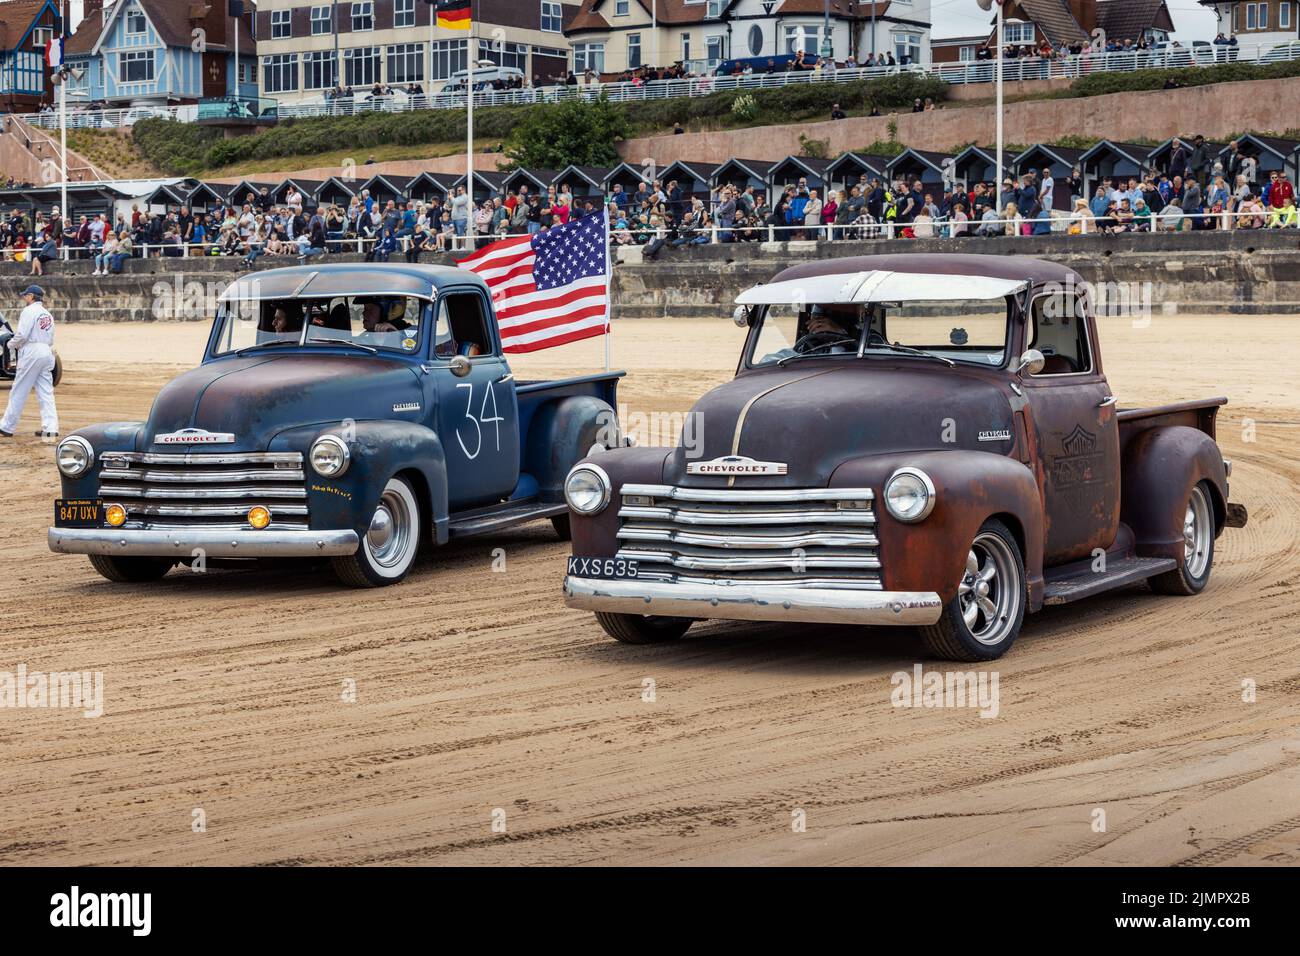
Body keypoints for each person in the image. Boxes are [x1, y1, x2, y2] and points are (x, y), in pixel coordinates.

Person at [0, 286, 59, 439]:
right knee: (46, 391)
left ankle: (7, 426)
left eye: (26, 295)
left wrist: (10, 344)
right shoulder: (47, 314)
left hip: (32, 351)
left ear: (31, 296)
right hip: (46, 351)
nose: (24, 298)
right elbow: (51, 338)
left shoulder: (29, 311)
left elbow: (22, 335)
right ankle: (51, 428)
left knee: (19, 390)